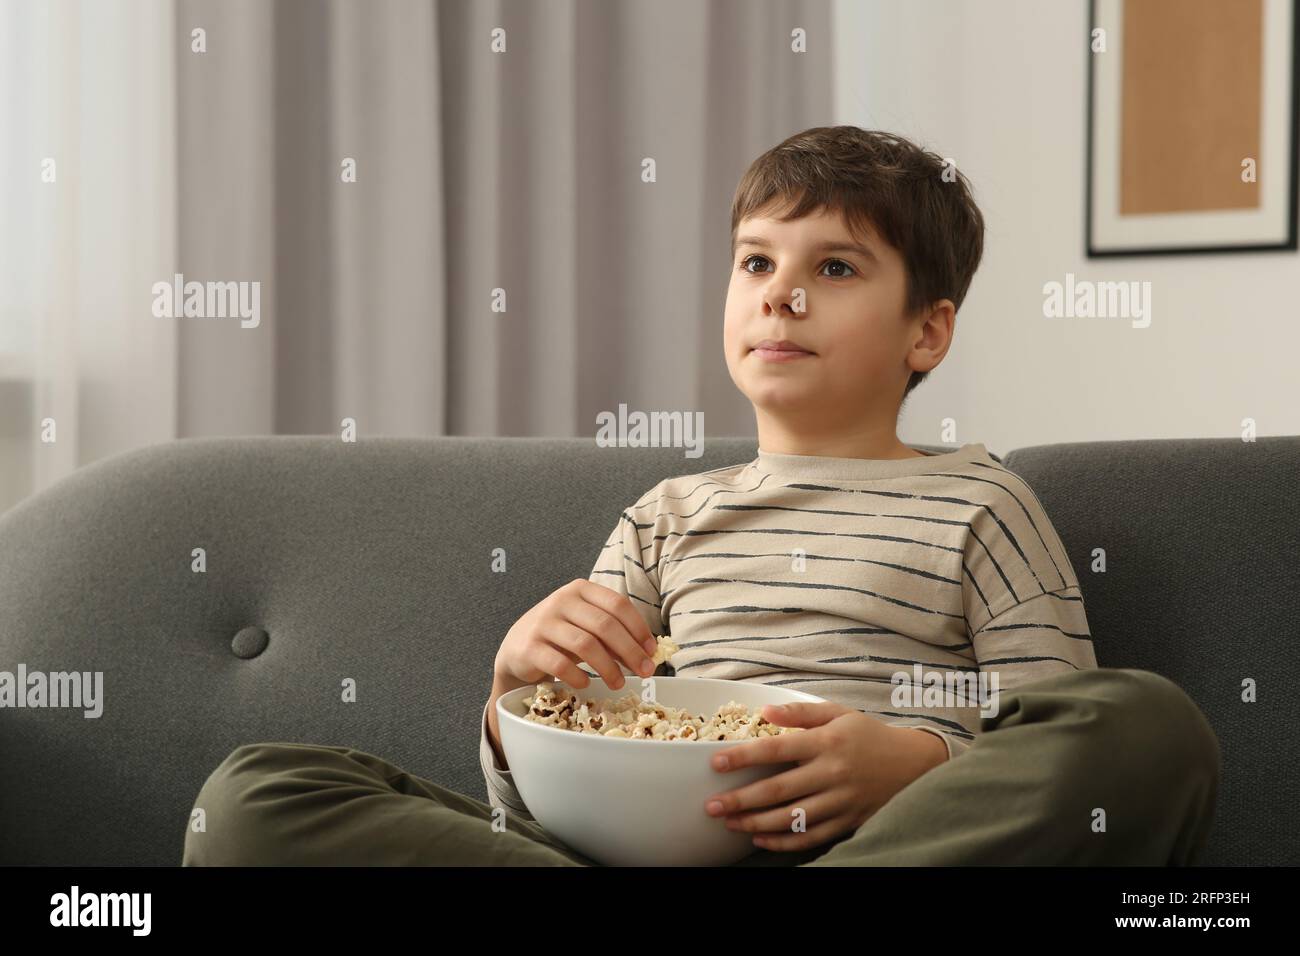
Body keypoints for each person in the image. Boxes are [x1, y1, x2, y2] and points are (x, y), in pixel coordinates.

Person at [183, 126, 1219, 867]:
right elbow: (553, 785)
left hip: (881, 844)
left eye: (838, 265)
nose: (781, 291)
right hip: (634, 851)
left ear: (927, 332)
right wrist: (514, 698)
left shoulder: (979, 504)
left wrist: (911, 760)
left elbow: (1053, 721)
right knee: (258, 795)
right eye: (757, 261)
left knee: (1146, 726)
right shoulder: (666, 515)